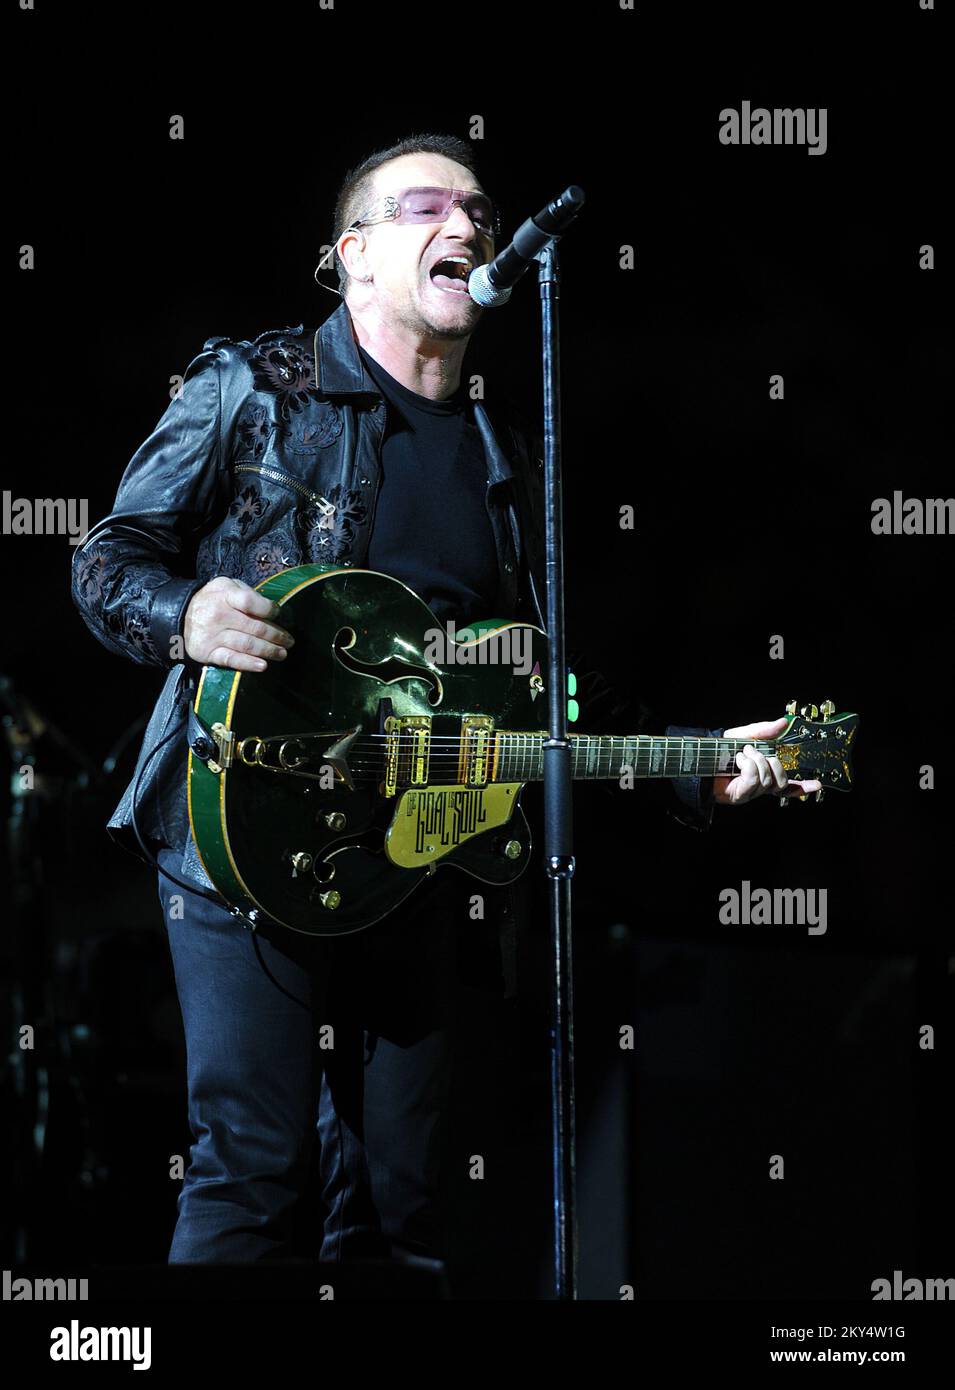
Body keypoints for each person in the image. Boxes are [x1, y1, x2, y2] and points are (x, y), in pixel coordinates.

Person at [70, 133, 821, 1272]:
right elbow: (106, 558)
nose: (466, 222)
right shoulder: (250, 385)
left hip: (417, 861)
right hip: (245, 824)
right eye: (427, 204)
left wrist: (691, 758)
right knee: (252, 1171)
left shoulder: (506, 457)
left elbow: (546, 686)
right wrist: (184, 615)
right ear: (352, 257)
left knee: (398, 1208)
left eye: (478, 205)